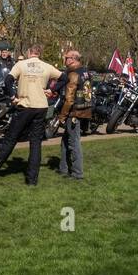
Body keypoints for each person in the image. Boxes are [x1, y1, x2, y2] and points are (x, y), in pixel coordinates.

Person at [0, 45, 60, 186]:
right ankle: (32, 180)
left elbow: (8, 80)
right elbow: (64, 77)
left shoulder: (21, 64)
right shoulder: (47, 66)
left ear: (29, 53)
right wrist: (52, 89)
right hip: (41, 107)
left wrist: (13, 96)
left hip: (25, 105)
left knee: (10, 139)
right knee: (35, 143)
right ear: (39, 53)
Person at [52, 50, 90, 180]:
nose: (65, 59)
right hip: (83, 110)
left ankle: (77, 173)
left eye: (66, 57)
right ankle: (63, 168)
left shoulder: (73, 74)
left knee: (74, 143)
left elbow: (69, 99)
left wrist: (62, 116)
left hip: (73, 112)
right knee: (65, 141)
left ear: (73, 59)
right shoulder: (85, 72)